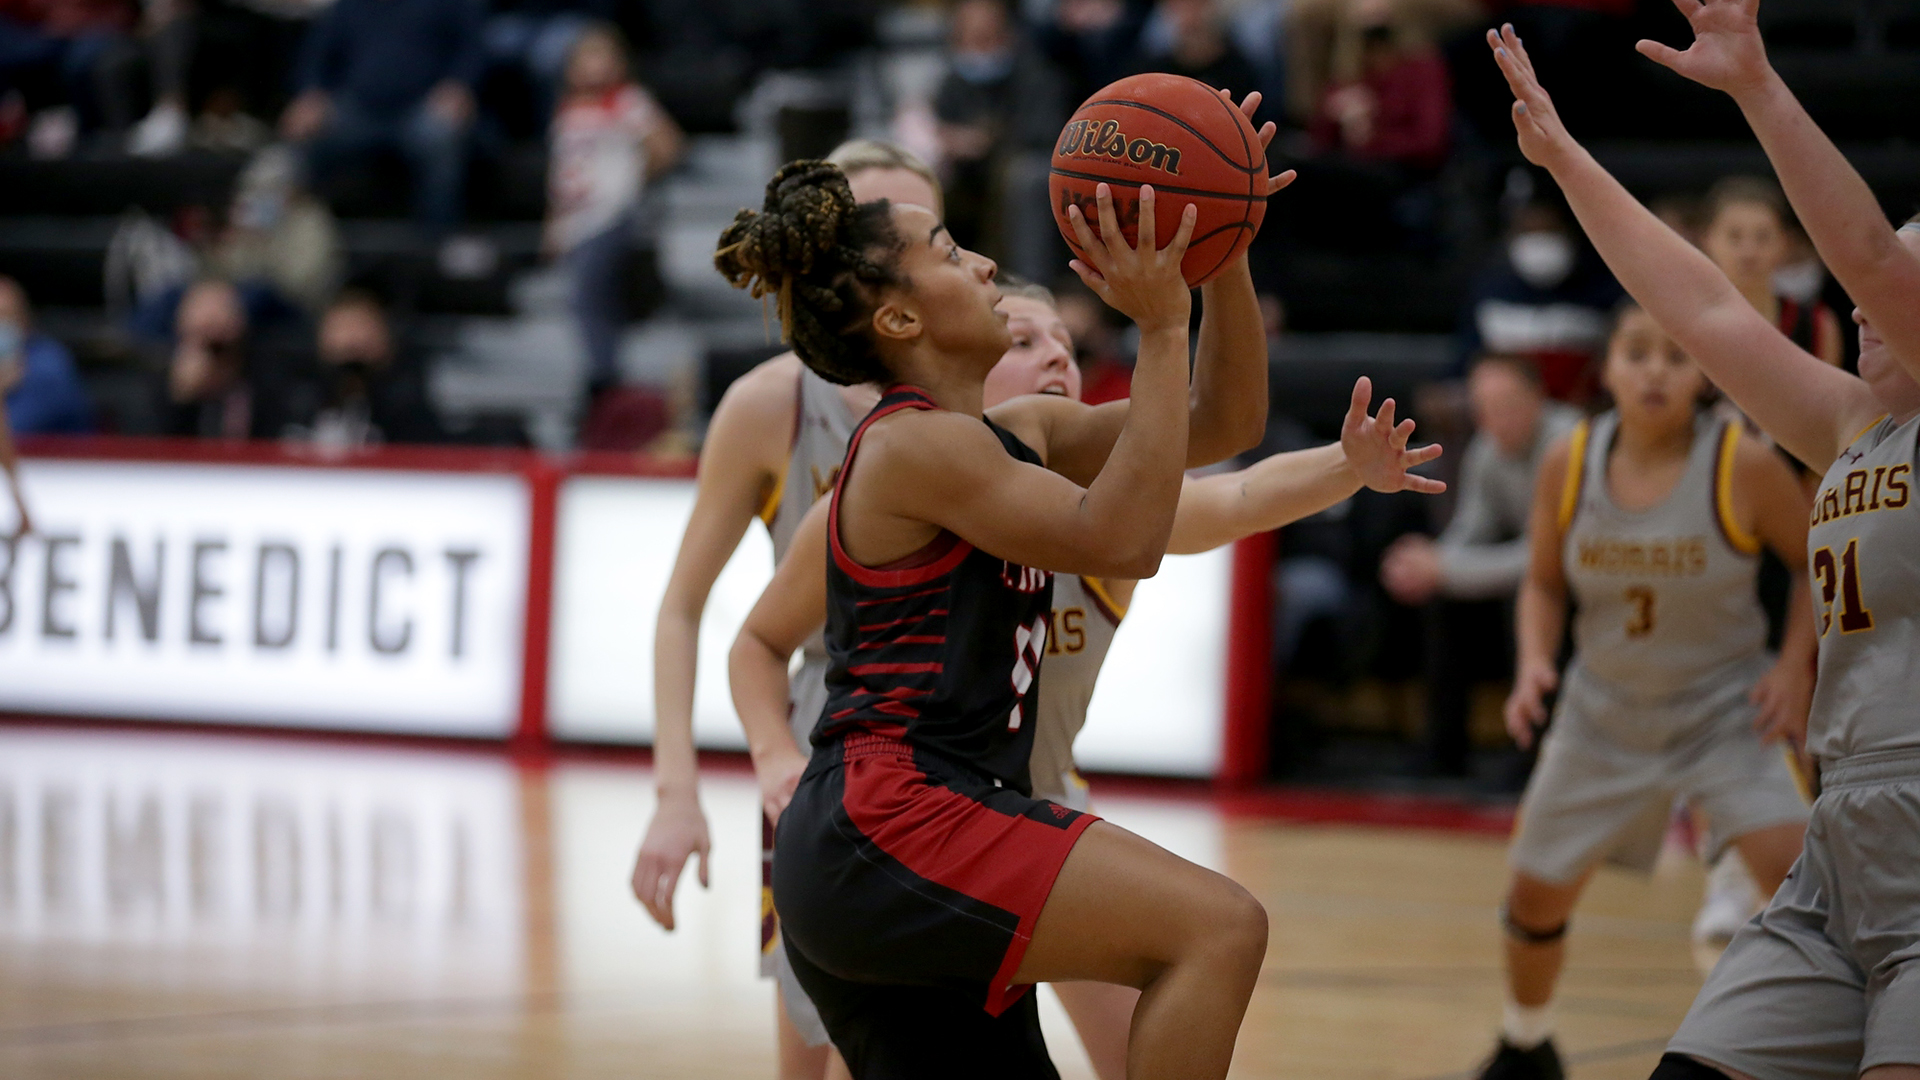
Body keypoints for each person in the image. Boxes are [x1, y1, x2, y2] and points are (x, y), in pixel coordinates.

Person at [731, 277, 1443, 1080]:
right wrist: (770, 754)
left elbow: (1236, 481)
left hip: (1028, 803)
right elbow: (757, 638)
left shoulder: (1097, 490)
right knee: (1212, 932)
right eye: (1027, 340)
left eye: (1067, 348)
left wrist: (1345, 465)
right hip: (894, 815)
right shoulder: (901, 479)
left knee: (1144, 1030)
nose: (1055, 360)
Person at [708, 140, 1283, 1075]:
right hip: (892, 818)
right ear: (898, 316)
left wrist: (1225, 253)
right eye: (944, 248)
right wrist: (1162, 326)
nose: (980, 262)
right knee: (1217, 927)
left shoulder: (1014, 435)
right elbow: (1123, 538)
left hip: (911, 826)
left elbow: (1223, 423)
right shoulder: (910, 447)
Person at [1488, 14, 1920, 1080]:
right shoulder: (1851, 425)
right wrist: (1564, 155)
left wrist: (1760, 87)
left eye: (1905, 280)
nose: (1864, 294)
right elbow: (1701, 310)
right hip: (1840, 848)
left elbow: (1861, 250)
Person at [626, 140, 947, 1080]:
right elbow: (683, 608)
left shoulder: (979, 384)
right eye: (890, 227)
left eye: (935, 229)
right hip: (829, 739)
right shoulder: (770, 405)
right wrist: (676, 793)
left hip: (967, 735)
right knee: (823, 1045)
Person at [1474, 300, 1814, 1080]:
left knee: (1804, 895)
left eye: (1674, 354)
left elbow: (1811, 564)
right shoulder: (1571, 458)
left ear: (1703, 373)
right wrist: (1533, 662)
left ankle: (1815, 1050)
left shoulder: (1743, 463)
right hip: (1602, 712)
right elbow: (1542, 583)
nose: (1656, 370)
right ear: (1609, 370)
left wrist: (1794, 667)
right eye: (1637, 352)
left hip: (1725, 712)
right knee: (1532, 900)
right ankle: (1526, 1043)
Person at [1380, 354, 1579, 777]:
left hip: (1582, 583)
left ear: (1538, 397)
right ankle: (1442, 750)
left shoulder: (1569, 444)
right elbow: (1470, 533)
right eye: (1483, 410)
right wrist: (1426, 563)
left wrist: (1445, 568)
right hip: (1531, 572)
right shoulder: (1487, 450)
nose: (1495, 421)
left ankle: (1536, 757)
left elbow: (1549, 558)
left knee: (1525, 599)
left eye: (1506, 406)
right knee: (1443, 598)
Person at [544, 22, 682, 401]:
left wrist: (632, 179)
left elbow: (667, 144)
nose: (594, 66)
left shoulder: (627, 101)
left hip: (609, 216)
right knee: (585, 297)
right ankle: (600, 371)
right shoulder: (567, 108)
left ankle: (604, 376)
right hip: (576, 220)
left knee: (589, 294)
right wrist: (553, 224)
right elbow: (562, 171)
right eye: (585, 57)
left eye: (602, 55)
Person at [281, 0, 483, 232]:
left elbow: (472, 50)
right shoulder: (349, 5)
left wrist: (459, 85)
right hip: (358, 108)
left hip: (422, 107)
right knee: (295, 143)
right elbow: (317, 54)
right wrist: (310, 95)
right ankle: (295, 240)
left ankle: (437, 243)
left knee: (440, 137)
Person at [1456, 193, 1622, 399]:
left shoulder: (1605, 292)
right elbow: (1463, 363)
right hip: (1507, 416)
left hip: (1584, 413)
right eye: (1529, 232)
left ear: (1569, 233)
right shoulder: (1487, 292)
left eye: (1549, 231)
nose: (1540, 243)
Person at [1698, 175, 1843, 368]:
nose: (1748, 252)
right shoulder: (1683, 318)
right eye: (1734, 236)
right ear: (1707, 239)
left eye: (1763, 237)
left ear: (1785, 243)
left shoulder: (1817, 325)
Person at [287, 289, 446, 448]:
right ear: (320, 338)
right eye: (342, 327)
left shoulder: (409, 406)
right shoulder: (296, 400)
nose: (352, 340)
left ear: (386, 339)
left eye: (361, 326)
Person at [0, 275, 93, 437]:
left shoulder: (48, 366)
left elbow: (14, 432)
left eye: (3, 316)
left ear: (24, 320)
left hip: (68, 460)